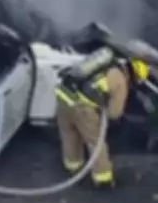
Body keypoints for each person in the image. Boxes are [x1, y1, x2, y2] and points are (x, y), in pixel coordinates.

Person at [55, 55, 150, 189]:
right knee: (96, 142)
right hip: (82, 108)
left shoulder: (105, 64)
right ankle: (103, 178)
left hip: (63, 96)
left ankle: (73, 166)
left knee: (69, 133)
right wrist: (106, 114)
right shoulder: (120, 79)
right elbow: (114, 112)